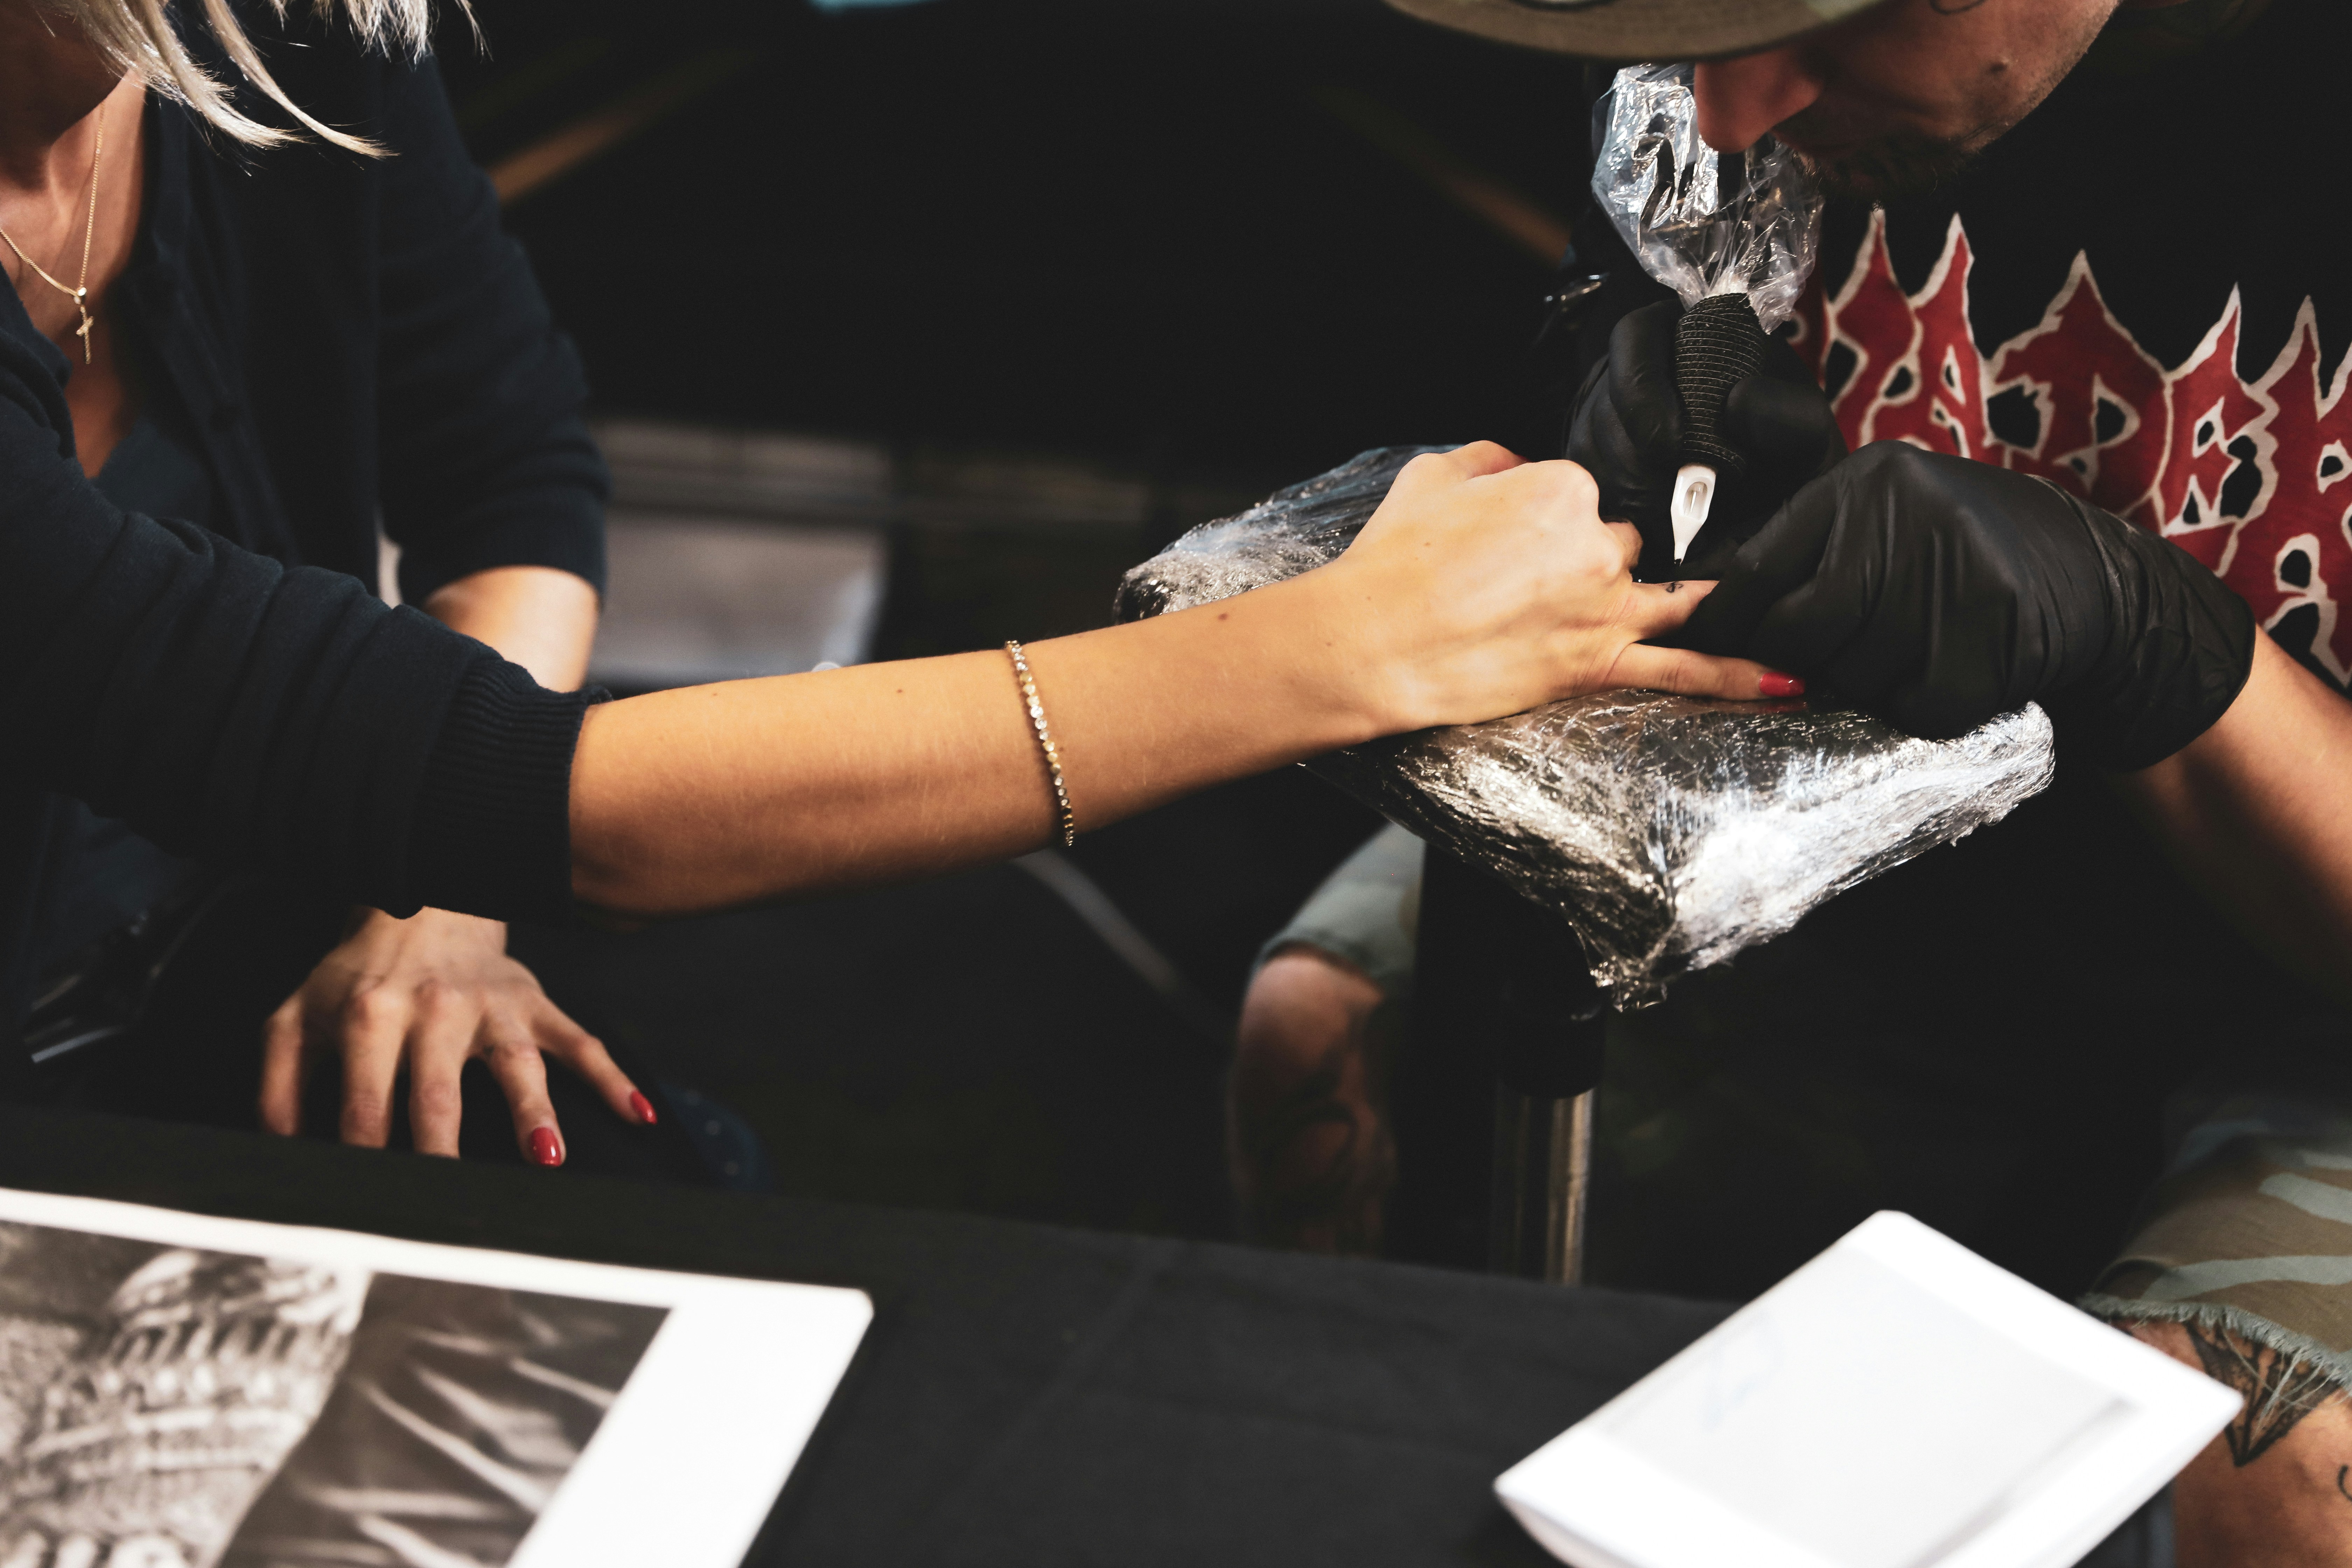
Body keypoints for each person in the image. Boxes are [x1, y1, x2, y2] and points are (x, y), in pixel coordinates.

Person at [0, 0, 1786, 1165]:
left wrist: (433, 908)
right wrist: (1328, 646)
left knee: (685, 1192)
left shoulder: (277, 46)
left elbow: (510, 469)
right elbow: (564, 807)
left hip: (243, 928)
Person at [1235, 0, 2352, 1559]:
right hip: (1843, 777)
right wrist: (1644, 409)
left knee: (2250, 1448)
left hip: (2302, 966)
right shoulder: (1714, 72)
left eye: (1834, 16)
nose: (1738, 101)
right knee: (1317, 1031)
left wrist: (2168, 653)